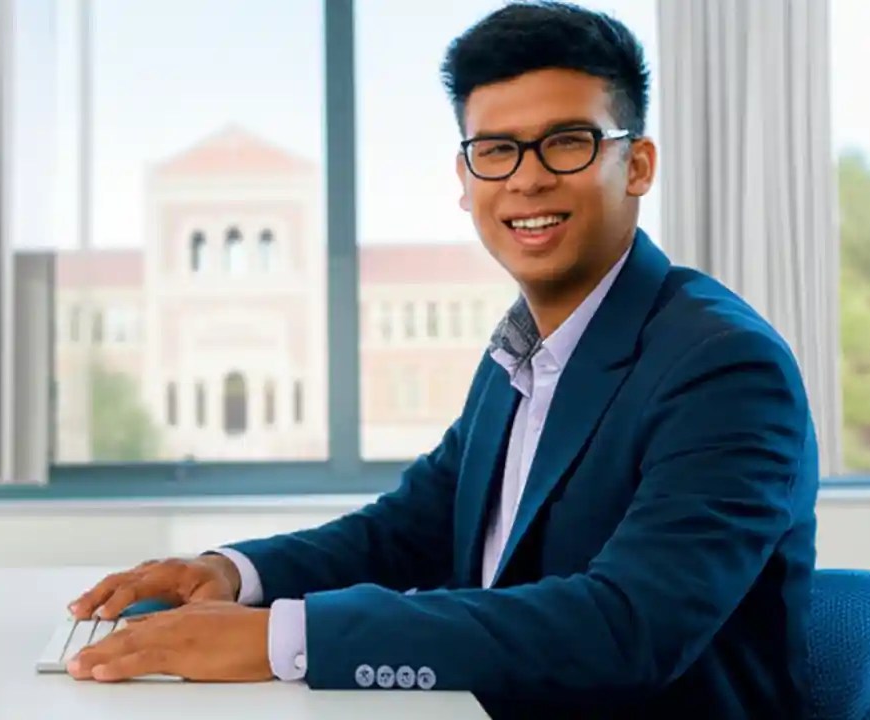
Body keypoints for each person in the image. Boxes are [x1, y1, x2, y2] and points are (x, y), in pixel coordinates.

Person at [65, 2, 819, 718]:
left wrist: (284, 640)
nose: (527, 178)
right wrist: (233, 574)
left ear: (638, 164)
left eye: (567, 141)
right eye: (495, 150)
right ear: (465, 181)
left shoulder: (723, 368)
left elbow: (627, 627)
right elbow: (410, 531)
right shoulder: (522, 352)